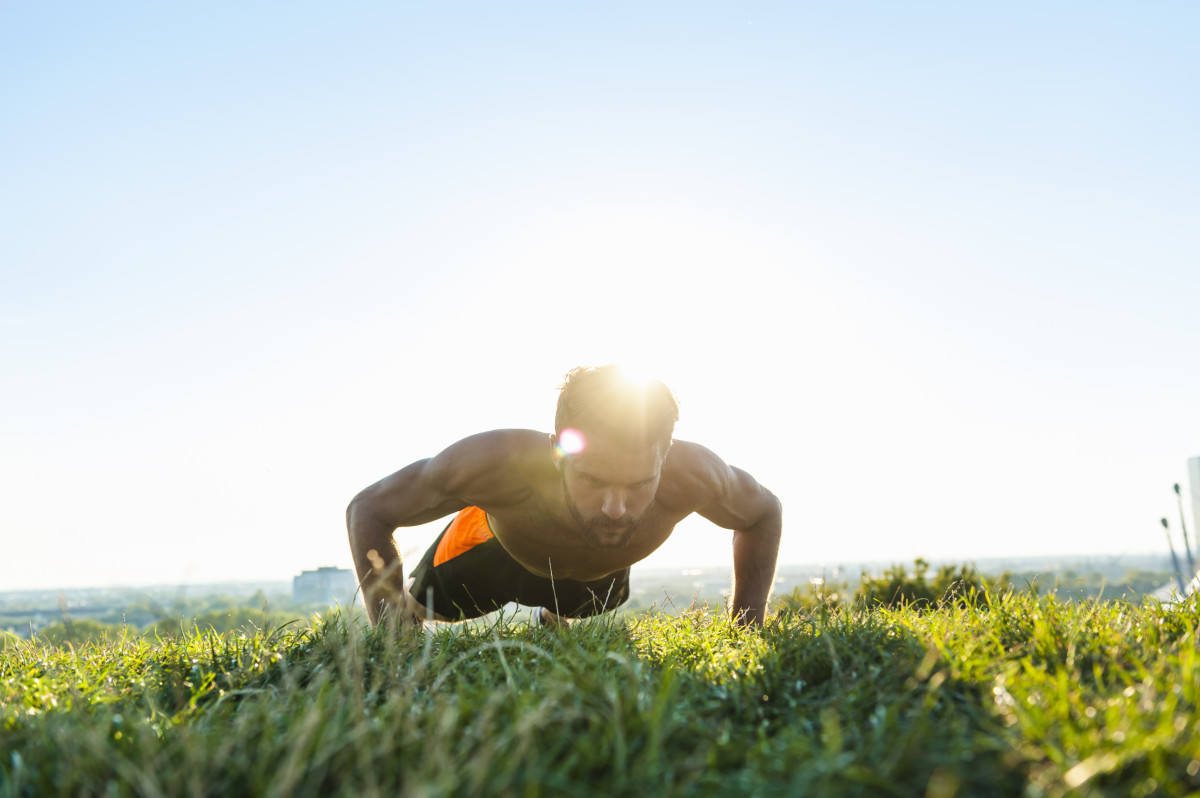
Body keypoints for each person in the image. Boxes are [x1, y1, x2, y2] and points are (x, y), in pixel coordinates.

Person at [346, 365, 782, 629]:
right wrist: (393, 639)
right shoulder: (497, 464)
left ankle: (554, 618)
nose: (616, 508)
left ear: (664, 456)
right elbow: (369, 507)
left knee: (590, 605)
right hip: (490, 550)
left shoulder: (697, 475)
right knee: (427, 609)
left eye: (637, 484)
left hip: (600, 580)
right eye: (594, 480)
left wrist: (746, 629)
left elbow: (763, 514)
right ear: (559, 452)